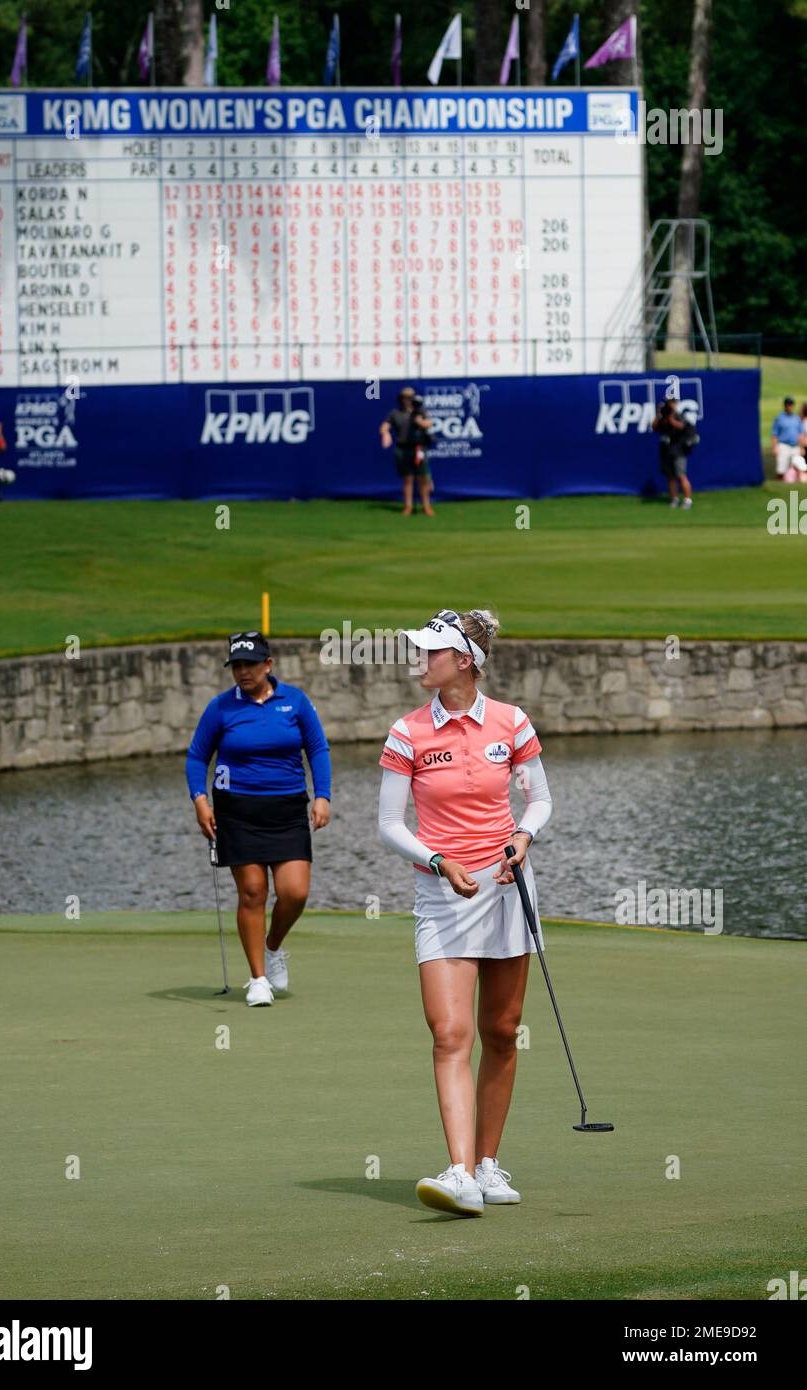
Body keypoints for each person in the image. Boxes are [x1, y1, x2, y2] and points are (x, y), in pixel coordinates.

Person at [377, 608, 553, 1216]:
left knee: (501, 1032)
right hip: (443, 895)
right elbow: (388, 825)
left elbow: (540, 798)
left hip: (508, 887)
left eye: (431, 652)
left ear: (465, 662)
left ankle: (486, 1163)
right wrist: (437, 862)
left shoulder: (512, 721)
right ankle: (458, 1172)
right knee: (449, 1032)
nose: (420, 661)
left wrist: (524, 839)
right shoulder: (408, 733)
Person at [186, 631, 331, 1007]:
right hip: (238, 810)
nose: (243, 672)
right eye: (236, 665)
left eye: (250, 664)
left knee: (294, 892)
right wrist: (200, 800)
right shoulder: (221, 707)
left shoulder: (294, 701)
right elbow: (197, 756)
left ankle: (273, 945)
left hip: (286, 809)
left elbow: (317, 748)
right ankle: (257, 979)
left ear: (268, 665)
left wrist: (323, 796)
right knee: (252, 892)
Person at [380, 386, 436, 517]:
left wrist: (420, 422)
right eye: (406, 397)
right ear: (401, 399)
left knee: (423, 478)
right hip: (403, 448)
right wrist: (385, 433)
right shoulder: (395, 413)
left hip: (418, 448)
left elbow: (429, 423)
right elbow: (384, 426)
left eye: (411, 397)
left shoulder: (420, 412)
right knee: (408, 479)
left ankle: (426, 506)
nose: (408, 400)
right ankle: (408, 506)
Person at [652, 396, 694, 509]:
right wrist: (658, 414)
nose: (670, 405)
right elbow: (654, 428)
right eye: (668, 403)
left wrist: (671, 418)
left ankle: (687, 500)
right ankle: (674, 499)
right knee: (670, 477)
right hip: (666, 450)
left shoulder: (680, 416)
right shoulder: (662, 418)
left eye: (672, 403)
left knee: (681, 475)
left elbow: (683, 427)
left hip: (678, 450)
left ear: (676, 404)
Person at [771, 396, 806, 479]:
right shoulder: (779, 418)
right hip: (783, 446)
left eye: (791, 404)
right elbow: (775, 434)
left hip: (795, 446)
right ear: (785, 405)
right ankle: (782, 488)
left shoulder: (796, 418)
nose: (790, 406)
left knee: (796, 469)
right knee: (781, 470)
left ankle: (793, 491)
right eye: (788, 404)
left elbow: (800, 434)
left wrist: (802, 448)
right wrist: (775, 447)